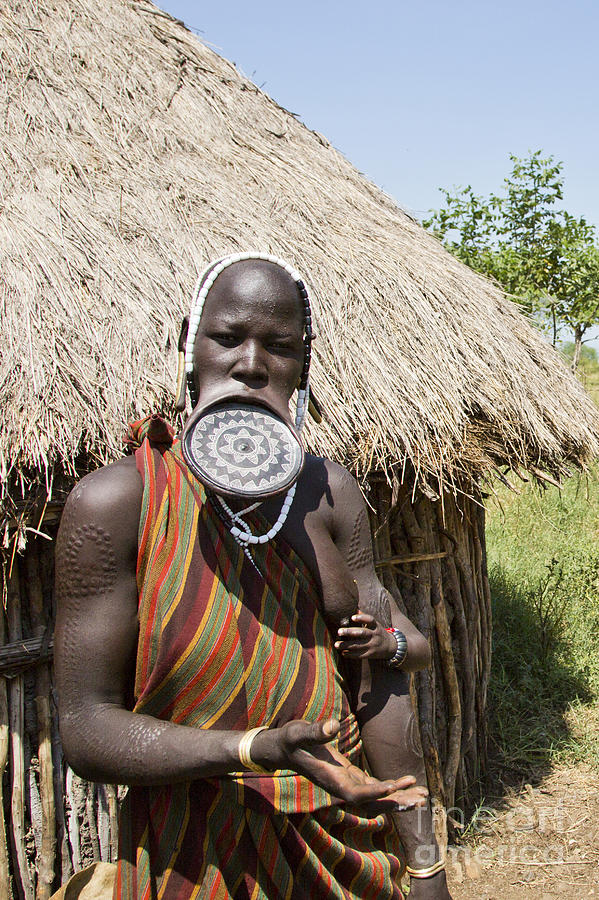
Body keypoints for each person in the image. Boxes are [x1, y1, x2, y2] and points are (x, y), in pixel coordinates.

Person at [55, 253, 451, 899]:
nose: (250, 364)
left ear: (303, 364)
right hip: (189, 852)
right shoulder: (118, 501)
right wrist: (252, 750)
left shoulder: (329, 492)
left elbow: (383, 676)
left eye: (279, 346)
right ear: (189, 345)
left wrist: (424, 863)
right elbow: (87, 730)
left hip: (342, 848)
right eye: (227, 338)